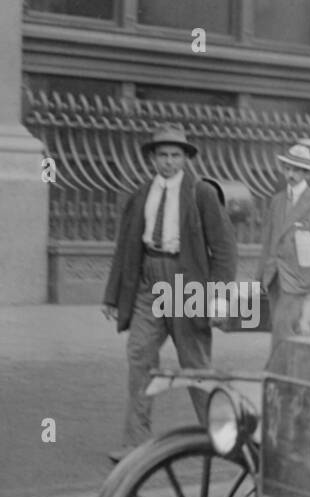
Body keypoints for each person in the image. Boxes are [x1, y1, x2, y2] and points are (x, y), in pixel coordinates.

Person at [101, 124, 237, 464]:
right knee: (139, 355)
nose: (169, 162)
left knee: (195, 365)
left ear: (186, 159)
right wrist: (113, 295)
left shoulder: (202, 193)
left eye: (176, 155)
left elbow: (224, 249)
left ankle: (220, 436)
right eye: (162, 155)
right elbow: (126, 248)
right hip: (149, 281)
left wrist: (219, 298)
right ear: (152, 158)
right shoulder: (141, 194)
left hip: (187, 282)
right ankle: (136, 443)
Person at [256, 142, 310, 353]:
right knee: (289, 326)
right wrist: (260, 277)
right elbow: (268, 241)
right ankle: (304, 362)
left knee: (282, 326)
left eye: (296, 170)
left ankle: (275, 371)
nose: (291, 174)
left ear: (306, 173)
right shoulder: (277, 201)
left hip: (297, 277)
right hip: (274, 274)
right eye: (288, 168)